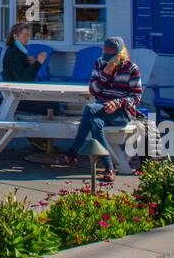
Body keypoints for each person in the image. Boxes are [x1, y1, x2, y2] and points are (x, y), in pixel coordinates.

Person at [57, 36, 143, 182]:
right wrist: (105, 74)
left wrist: (117, 103)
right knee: (95, 123)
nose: (107, 55)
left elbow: (136, 96)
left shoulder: (131, 68)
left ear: (119, 53)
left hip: (121, 112)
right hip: (101, 109)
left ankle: (72, 153)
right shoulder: (100, 63)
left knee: (89, 109)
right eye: (105, 51)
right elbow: (94, 90)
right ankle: (109, 168)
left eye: (110, 52)